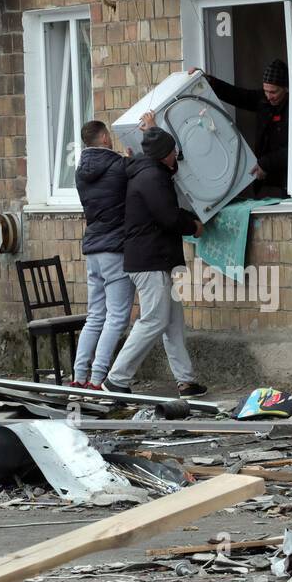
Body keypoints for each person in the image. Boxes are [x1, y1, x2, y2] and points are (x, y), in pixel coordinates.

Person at [102, 120, 209, 398]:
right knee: (154, 320)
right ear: (164, 154)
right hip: (150, 261)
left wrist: (152, 127)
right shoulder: (153, 178)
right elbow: (168, 217)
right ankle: (116, 378)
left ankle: (185, 381)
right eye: (173, 152)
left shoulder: (148, 170)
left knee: (172, 322)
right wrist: (193, 225)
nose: (177, 156)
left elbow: (165, 210)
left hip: (157, 258)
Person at [71, 119, 135, 389]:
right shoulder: (119, 167)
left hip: (93, 248)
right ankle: (98, 378)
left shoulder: (79, 172)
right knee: (117, 316)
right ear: (106, 138)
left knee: (95, 315)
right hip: (115, 249)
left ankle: (78, 376)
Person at [198, 59, 292, 198]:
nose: (269, 97)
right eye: (266, 91)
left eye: (273, 92)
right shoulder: (263, 99)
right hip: (271, 180)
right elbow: (238, 96)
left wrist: (265, 164)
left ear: (286, 88)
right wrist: (208, 81)